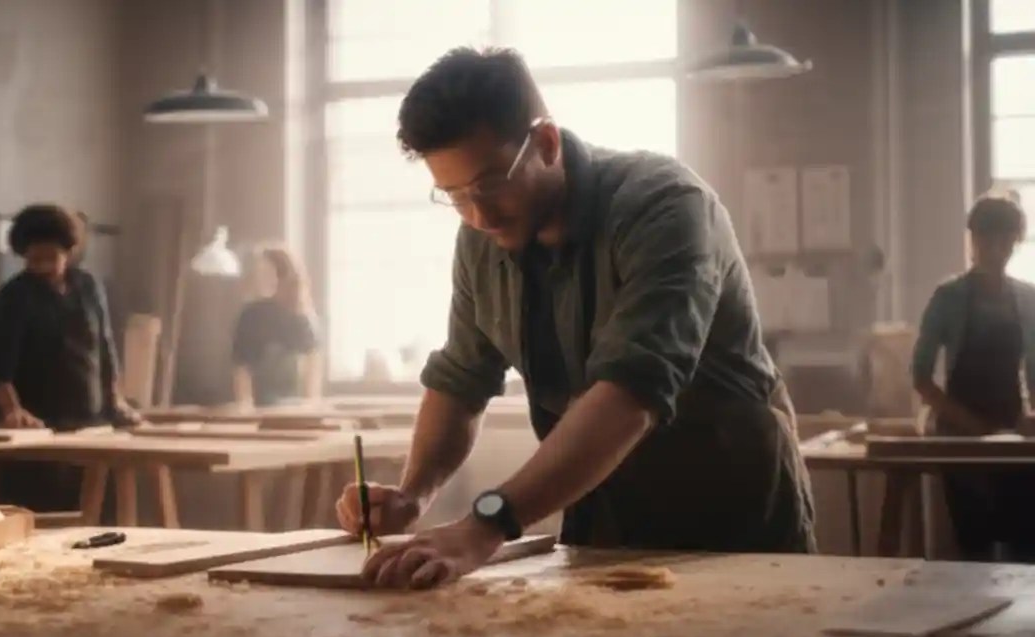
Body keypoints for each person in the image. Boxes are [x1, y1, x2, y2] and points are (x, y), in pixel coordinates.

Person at [334, 48, 816, 590]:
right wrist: (411, 495)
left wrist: (486, 523)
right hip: (602, 529)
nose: (478, 214)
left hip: (732, 526)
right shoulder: (480, 239)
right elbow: (461, 380)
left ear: (546, 143)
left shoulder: (664, 206)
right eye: (454, 195)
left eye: (491, 184)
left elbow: (630, 395)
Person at [0, 204, 139, 510]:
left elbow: (106, 348)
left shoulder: (89, 287)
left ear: (68, 251)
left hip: (92, 425)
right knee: (43, 516)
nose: (42, 266)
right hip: (41, 431)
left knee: (98, 516)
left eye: (50, 258)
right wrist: (13, 410)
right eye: (34, 259)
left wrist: (116, 400)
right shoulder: (13, 296)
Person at [912, 193, 1035, 562]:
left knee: (1025, 544)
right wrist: (967, 424)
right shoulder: (948, 297)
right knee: (974, 545)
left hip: (1013, 433)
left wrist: (1029, 419)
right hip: (960, 435)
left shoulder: (1027, 299)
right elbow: (920, 376)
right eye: (987, 239)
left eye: (1005, 241)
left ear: (1015, 242)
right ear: (973, 239)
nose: (996, 249)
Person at [232, 244, 322, 407]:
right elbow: (241, 369)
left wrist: (310, 406)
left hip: (297, 408)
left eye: (266, 272)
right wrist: (245, 407)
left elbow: (312, 367)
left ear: (283, 276)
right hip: (259, 409)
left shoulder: (302, 316)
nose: (260, 277)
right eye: (259, 272)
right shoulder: (249, 315)